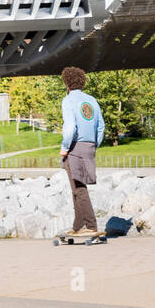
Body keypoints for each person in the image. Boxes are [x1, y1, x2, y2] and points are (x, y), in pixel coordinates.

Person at [59, 66, 105, 237]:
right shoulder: (91, 100)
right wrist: (94, 145)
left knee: (79, 188)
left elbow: (70, 127)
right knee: (77, 187)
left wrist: (64, 148)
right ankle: (78, 225)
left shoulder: (68, 101)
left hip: (75, 146)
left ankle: (91, 225)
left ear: (66, 83)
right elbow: (101, 126)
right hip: (90, 146)